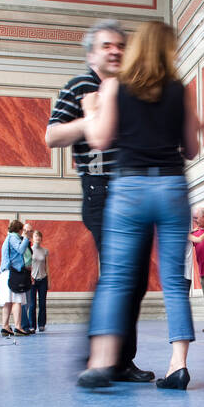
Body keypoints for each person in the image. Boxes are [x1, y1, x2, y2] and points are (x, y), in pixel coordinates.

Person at [76, 21, 201, 390]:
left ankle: (100, 364)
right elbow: (191, 149)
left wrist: (93, 109)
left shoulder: (115, 85)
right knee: (174, 282)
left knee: (116, 279)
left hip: (129, 187)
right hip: (171, 186)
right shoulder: (180, 89)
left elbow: (99, 139)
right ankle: (177, 365)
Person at [46, 20, 154, 381]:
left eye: (121, 46)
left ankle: (121, 361)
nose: (116, 51)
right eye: (107, 45)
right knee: (119, 273)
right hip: (102, 190)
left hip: (135, 191)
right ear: (92, 52)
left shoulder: (130, 91)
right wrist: (92, 119)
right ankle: (97, 358)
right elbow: (52, 135)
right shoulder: (80, 86)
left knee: (135, 278)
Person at [0, 219, 30, 337]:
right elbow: (20, 250)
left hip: (6, 272)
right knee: (17, 299)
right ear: (19, 230)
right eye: (23, 230)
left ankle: (5, 326)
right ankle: (18, 326)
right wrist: (26, 238)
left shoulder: (8, 238)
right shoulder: (13, 238)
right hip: (13, 273)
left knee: (7, 301)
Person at [27, 229, 50, 332]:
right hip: (32, 280)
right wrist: (29, 277)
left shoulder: (45, 251)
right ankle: (32, 326)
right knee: (32, 304)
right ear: (33, 238)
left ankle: (41, 324)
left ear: (41, 238)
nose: (38, 238)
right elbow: (27, 265)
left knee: (42, 303)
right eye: (36, 236)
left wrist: (49, 280)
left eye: (39, 236)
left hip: (43, 279)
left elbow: (47, 266)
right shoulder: (29, 250)